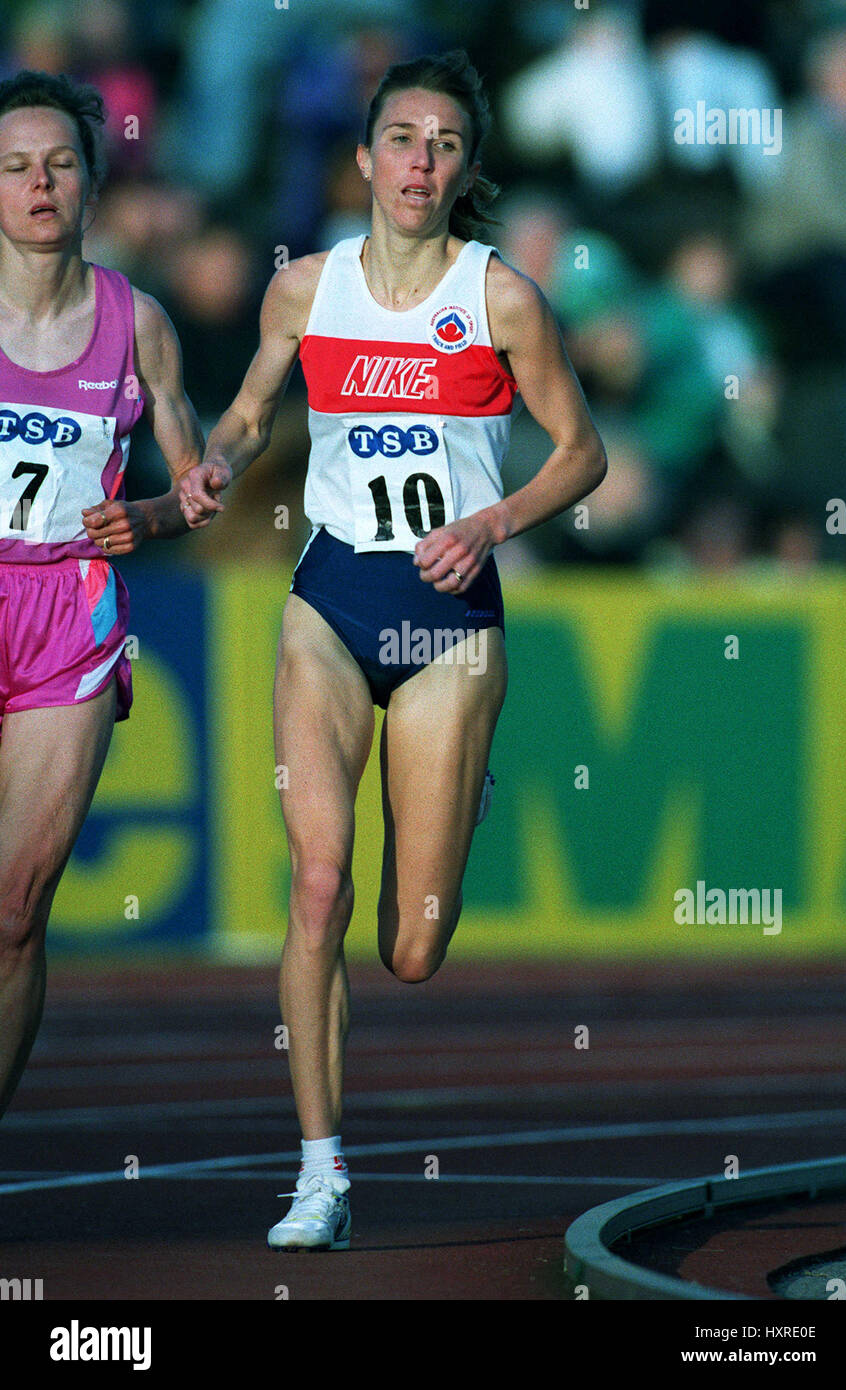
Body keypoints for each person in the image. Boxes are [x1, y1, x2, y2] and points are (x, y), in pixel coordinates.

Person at [179, 50, 607, 1251]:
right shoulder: (304, 289)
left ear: (462, 168)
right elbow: (253, 410)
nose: (421, 162)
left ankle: (459, 782)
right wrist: (216, 456)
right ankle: (318, 1172)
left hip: (448, 619)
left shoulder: (500, 296)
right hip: (329, 599)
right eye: (402, 140)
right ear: (364, 158)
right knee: (316, 882)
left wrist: (493, 520)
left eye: (445, 144)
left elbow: (580, 451)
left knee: (410, 949)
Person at [0, 71, 203, 1118]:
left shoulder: (139, 322)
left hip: (66, 621)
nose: (40, 183)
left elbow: (196, 483)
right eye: (16, 166)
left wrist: (156, 517)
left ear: (90, 183)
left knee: (17, 908)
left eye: (61, 164)